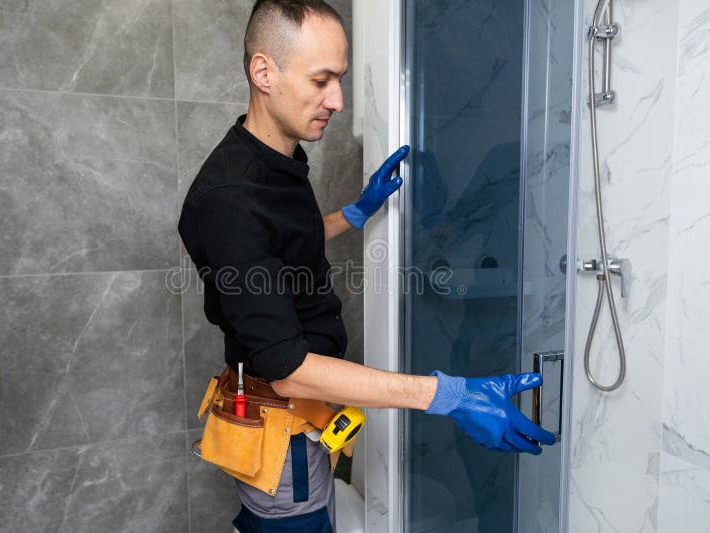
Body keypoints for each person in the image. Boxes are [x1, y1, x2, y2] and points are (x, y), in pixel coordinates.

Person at [178, 1, 556, 531]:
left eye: (341, 79)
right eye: (321, 80)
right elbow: (286, 369)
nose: (336, 100)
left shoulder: (274, 162)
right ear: (263, 72)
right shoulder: (228, 198)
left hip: (307, 424)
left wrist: (354, 213)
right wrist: (449, 394)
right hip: (281, 431)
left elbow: (286, 241)